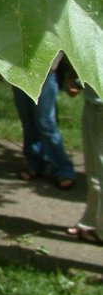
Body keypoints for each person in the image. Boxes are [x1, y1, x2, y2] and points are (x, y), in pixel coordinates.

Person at [12, 54, 75, 190]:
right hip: (16, 69)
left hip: (45, 71)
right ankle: (35, 163)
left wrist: (70, 74)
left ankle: (63, 169)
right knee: (27, 121)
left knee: (46, 123)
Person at [66, 71, 103, 245]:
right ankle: (90, 222)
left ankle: (100, 231)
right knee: (93, 170)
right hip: (93, 101)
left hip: (100, 105)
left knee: (100, 171)